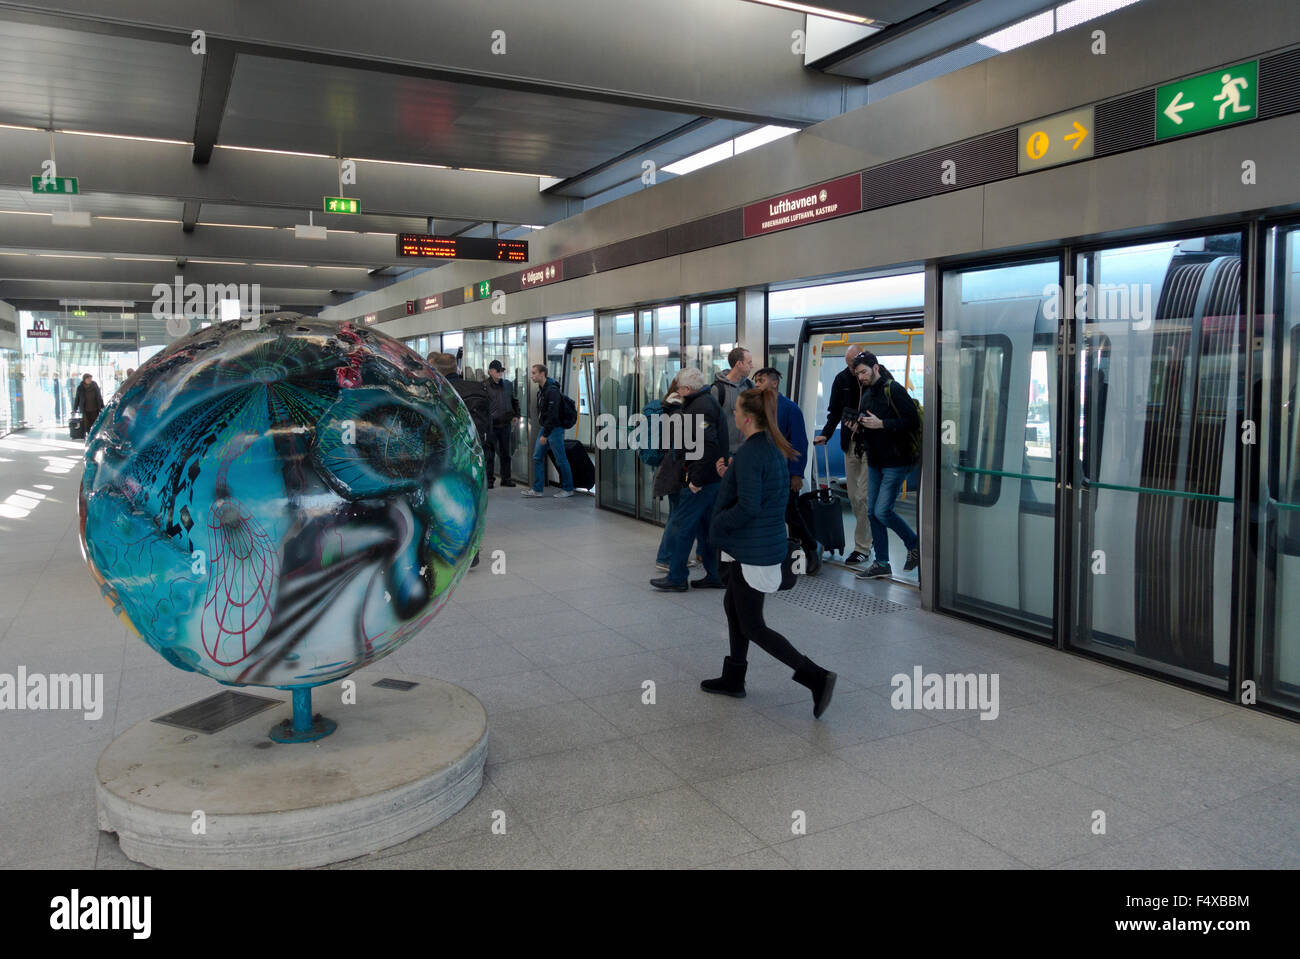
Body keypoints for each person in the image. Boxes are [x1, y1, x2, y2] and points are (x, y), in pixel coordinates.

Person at [702, 388, 837, 718]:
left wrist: (717, 524)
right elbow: (757, 493)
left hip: (752, 548)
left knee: (752, 625)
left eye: (735, 410)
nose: (732, 414)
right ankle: (734, 677)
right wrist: (730, 476)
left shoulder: (751, 453)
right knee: (733, 607)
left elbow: (748, 506)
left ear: (747, 418)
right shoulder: (768, 448)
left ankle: (817, 677)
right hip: (757, 544)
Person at [650, 367, 725, 591]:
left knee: (683, 525)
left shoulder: (700, 407)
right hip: (710, 478)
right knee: (704, 528)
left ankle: (677, 577)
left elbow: (706, 445)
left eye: (680, 388)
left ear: (686, 388)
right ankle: (714, 575)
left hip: (700, 479)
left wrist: (696, 480)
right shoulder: (703, 403)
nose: (678, 392)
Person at [849, 352, 921, 579]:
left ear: (875, 367)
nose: (861, 377)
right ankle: (882, 562)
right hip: (876, 460)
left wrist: (883, 424)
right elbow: (867, 422)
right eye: (858, 373)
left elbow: (912, 421)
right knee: (872, 512)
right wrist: (858, 426)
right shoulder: (868, 394)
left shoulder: (894, 389)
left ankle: (915, 544)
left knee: (882, 511)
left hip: (896, 461)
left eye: (863, 372)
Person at [752, 367, 820, 576]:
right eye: (755, 381)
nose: (757, 384)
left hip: (783, 473)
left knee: (790, 515)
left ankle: (811, 548)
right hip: (761, 473)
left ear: (774, 383)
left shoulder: (790, 409)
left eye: (761, 380)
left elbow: (799, 443)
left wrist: (796, 474)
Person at [813, 344, 872, 566]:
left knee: (863, 496)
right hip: (850, 442)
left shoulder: (879, 377)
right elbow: (834, 412)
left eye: (855, 366)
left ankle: (862, 546)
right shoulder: (841, 379)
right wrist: (826, 434)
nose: (853, 370)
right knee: (855, 497)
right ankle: (868, 538)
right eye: (849, 366)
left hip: (872, 444)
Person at [431, 352, 491, 568]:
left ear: (438, 370)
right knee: (472, 502)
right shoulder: (477, 387)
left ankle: (457, 549)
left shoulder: (440, 391)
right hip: (476, 454)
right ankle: (472, 550)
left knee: (451, 502)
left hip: (450, 457)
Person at [523, 363, 574, 498]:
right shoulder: (542, 389)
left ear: (542, 374)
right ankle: (537, 489)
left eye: (534, 373)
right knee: (537, 457)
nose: (532, 376)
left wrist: (545, 434)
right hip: (546, 428)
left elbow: (553, 415)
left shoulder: (552, 391)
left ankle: (568, 488)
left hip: (554, 429)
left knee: (561, 459)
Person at [484, 359, 520, 488]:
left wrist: (516, 415)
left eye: (501, 371)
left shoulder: (507, 385)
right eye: (497, 370)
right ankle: (489, 480)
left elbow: (514, 400)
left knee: (506, 453)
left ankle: (506, 478)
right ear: (490, 371)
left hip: (505, 424)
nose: (500, 373)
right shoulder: (484, 386)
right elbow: (481, 405)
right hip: (491, 426)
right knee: (490, 454)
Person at [712, 346, 754, 456]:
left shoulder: (750, 386)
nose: (752, 366)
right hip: (724, 453)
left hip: (748, 450)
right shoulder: (717, 389)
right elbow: (710, 422)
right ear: (739, 364)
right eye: (749, 363)